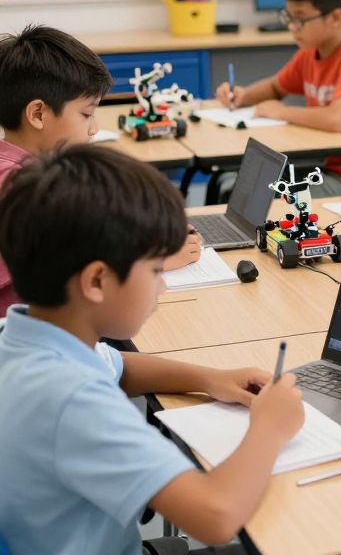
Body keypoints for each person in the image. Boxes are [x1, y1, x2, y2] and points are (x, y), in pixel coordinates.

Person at [0, 145, 306, 554]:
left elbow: (117, 365)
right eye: (156, 271)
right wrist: (270, 428)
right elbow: (216, 517)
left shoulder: (23, 335)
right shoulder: (72, 401)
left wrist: (208, 378)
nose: (162, 286)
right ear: (96, 281)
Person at [0, 25, 199, 317]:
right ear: (38, 114)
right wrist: (159, 262)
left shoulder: (30, 174)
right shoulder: (22, 190)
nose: (93, 129)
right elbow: (77, 279)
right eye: (86, 114)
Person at [216, 0, 341, 196]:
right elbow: (276, 87)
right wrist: (242, 96)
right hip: (318, 164)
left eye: (300, 19)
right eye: (288, 16)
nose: (292, 26)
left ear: (336, 17)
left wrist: (280, 112)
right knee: (229, 181)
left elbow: (336, 119)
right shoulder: (310, 52)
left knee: (254, 194)